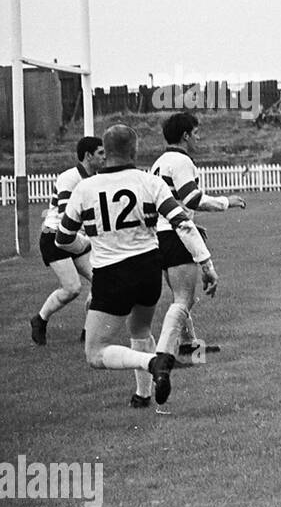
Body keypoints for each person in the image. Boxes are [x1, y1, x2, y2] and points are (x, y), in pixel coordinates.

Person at [56, 124, 218, 408]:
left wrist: (88, 245)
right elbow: (182, 222)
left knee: (94, 353)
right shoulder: (148, 182)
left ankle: (153, 362)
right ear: (135, 149)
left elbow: (62, 238)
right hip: (147, 270)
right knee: (140, 331)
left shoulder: (85, 188)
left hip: (111, 273)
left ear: (105, 152)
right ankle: (142, 395)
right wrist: (206, 263)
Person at [151, 112, 247, 361]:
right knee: (185, 298)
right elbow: (191, 198)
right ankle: (166, 355)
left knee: (179, 295)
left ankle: (188, 344)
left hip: (161, 234)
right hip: (176, 235)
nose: (199, 138)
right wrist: (227, 201)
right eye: (196, 133)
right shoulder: (181, 161)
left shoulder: (160, 161)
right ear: (185, 136)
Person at [30, 136, 105, 346]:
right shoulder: (69, 178)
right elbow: (65, 216)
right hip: (56, 237)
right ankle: (40, 319)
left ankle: (88, 332)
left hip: (76, 237)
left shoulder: (97, 179)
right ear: (88, 156)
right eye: (100, 153)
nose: (105, 157)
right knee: (72, 288)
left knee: (102, 280)